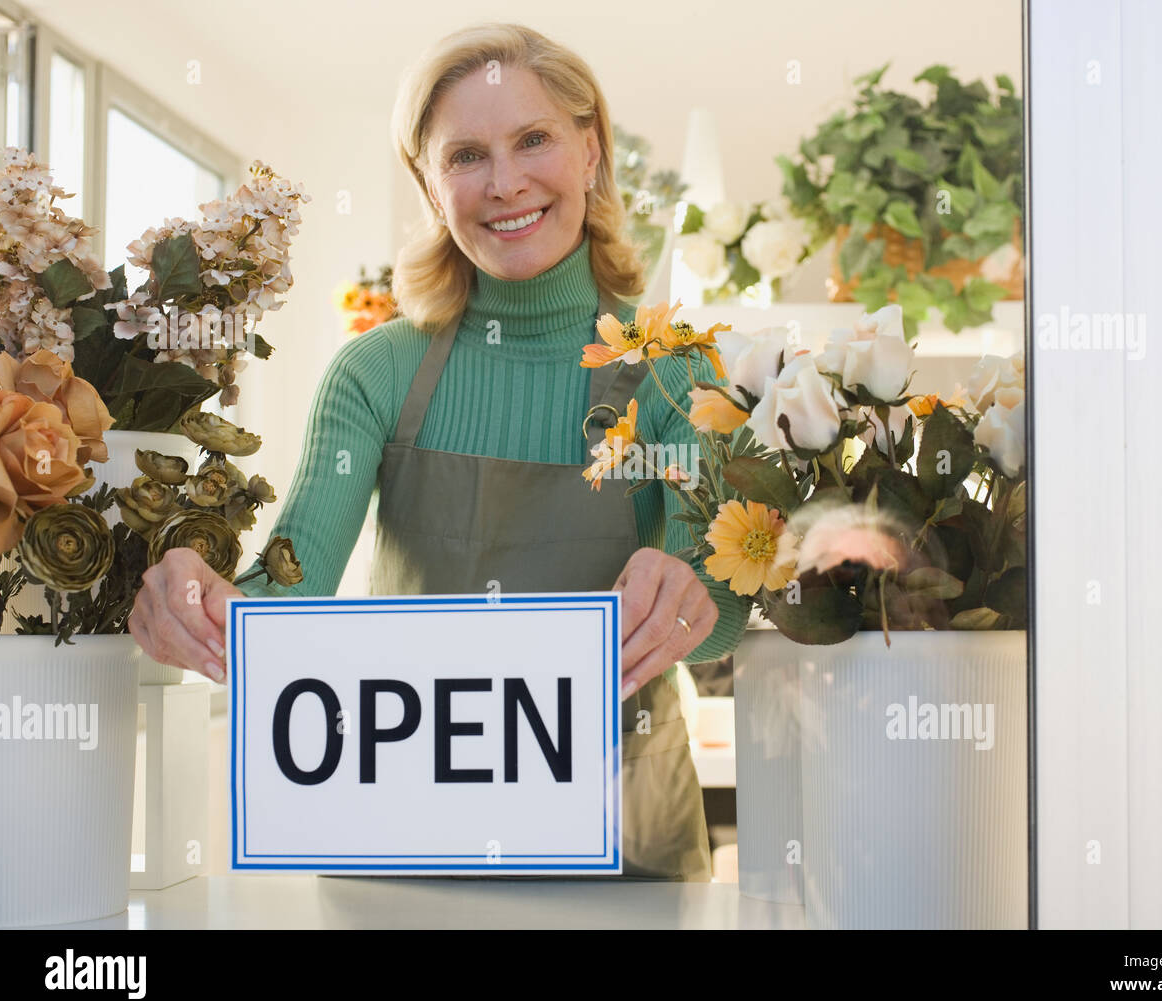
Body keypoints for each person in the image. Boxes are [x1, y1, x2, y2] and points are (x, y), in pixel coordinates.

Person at [128, 21, 751, 882]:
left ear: (591, 149)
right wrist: (197, 592)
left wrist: (693, 591)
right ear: (429, 182)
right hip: (410, 831)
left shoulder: (677, 367)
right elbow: (287, 589)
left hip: (624, 842)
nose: (505, 183)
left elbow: (719, 604)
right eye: (465, 156)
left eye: (533, 139)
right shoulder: (377, 371)